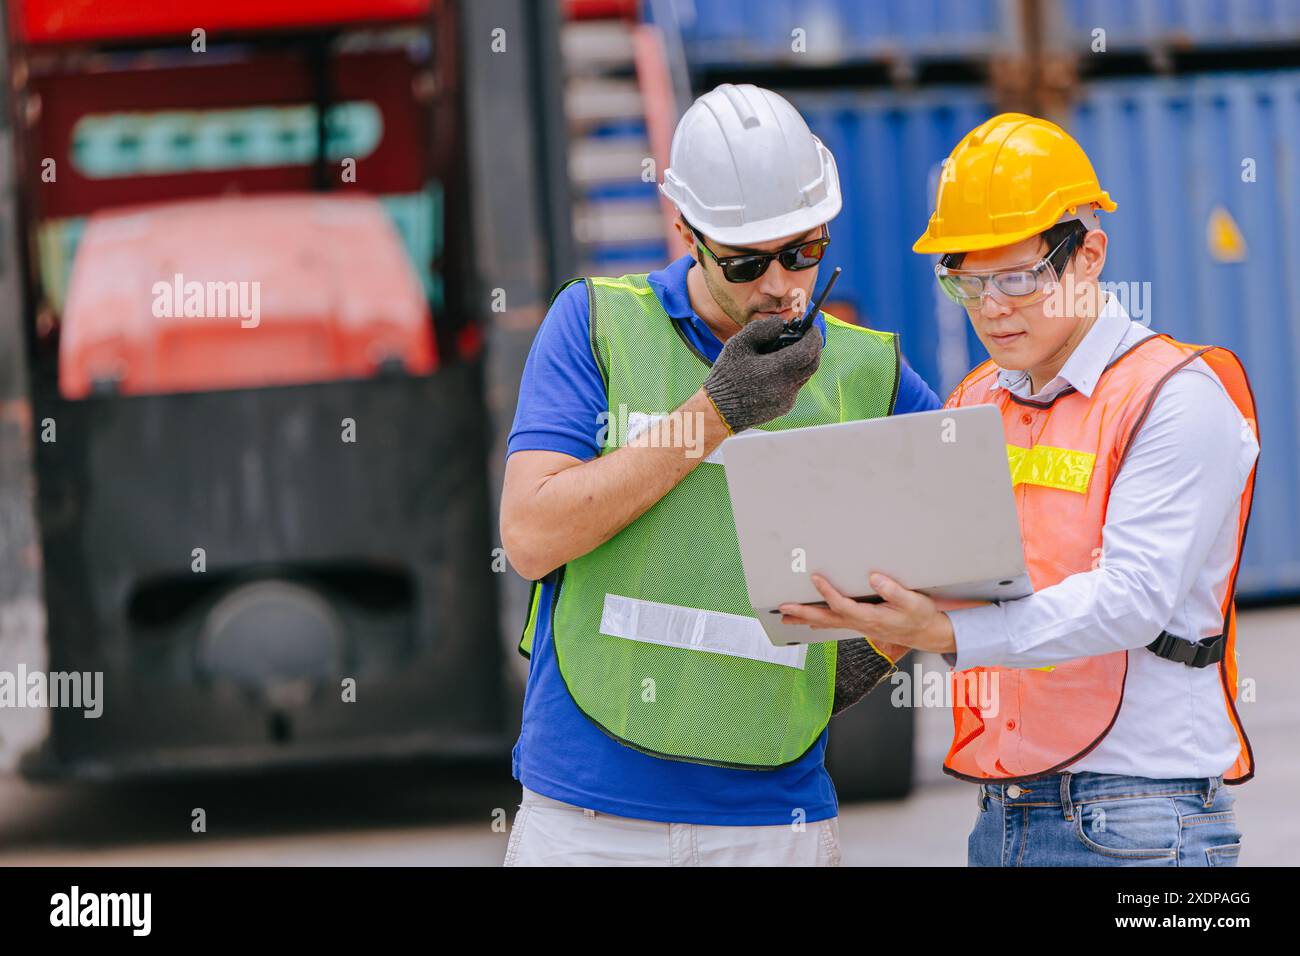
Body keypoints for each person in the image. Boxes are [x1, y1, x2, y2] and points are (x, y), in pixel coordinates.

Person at [779, 113, 1259, 867]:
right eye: (967, 281)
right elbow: (947, 565)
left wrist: (949, 635)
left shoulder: (1174, 397)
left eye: (1017, 278)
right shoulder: (976, 402)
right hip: (1005, 810)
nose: (991, 307)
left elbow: (1134, 598)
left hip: (1141, 816)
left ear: (1089, 254)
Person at [498, 83, 941, 866]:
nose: (779, 285)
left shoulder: (869, 373)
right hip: (590, 816)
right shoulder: (597, 326)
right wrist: (719, 410)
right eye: (745, 262)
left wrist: (881, 642)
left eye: (804, 251)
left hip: (774, 819)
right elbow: (531, 537)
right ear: (687, 234)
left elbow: (966, 534)